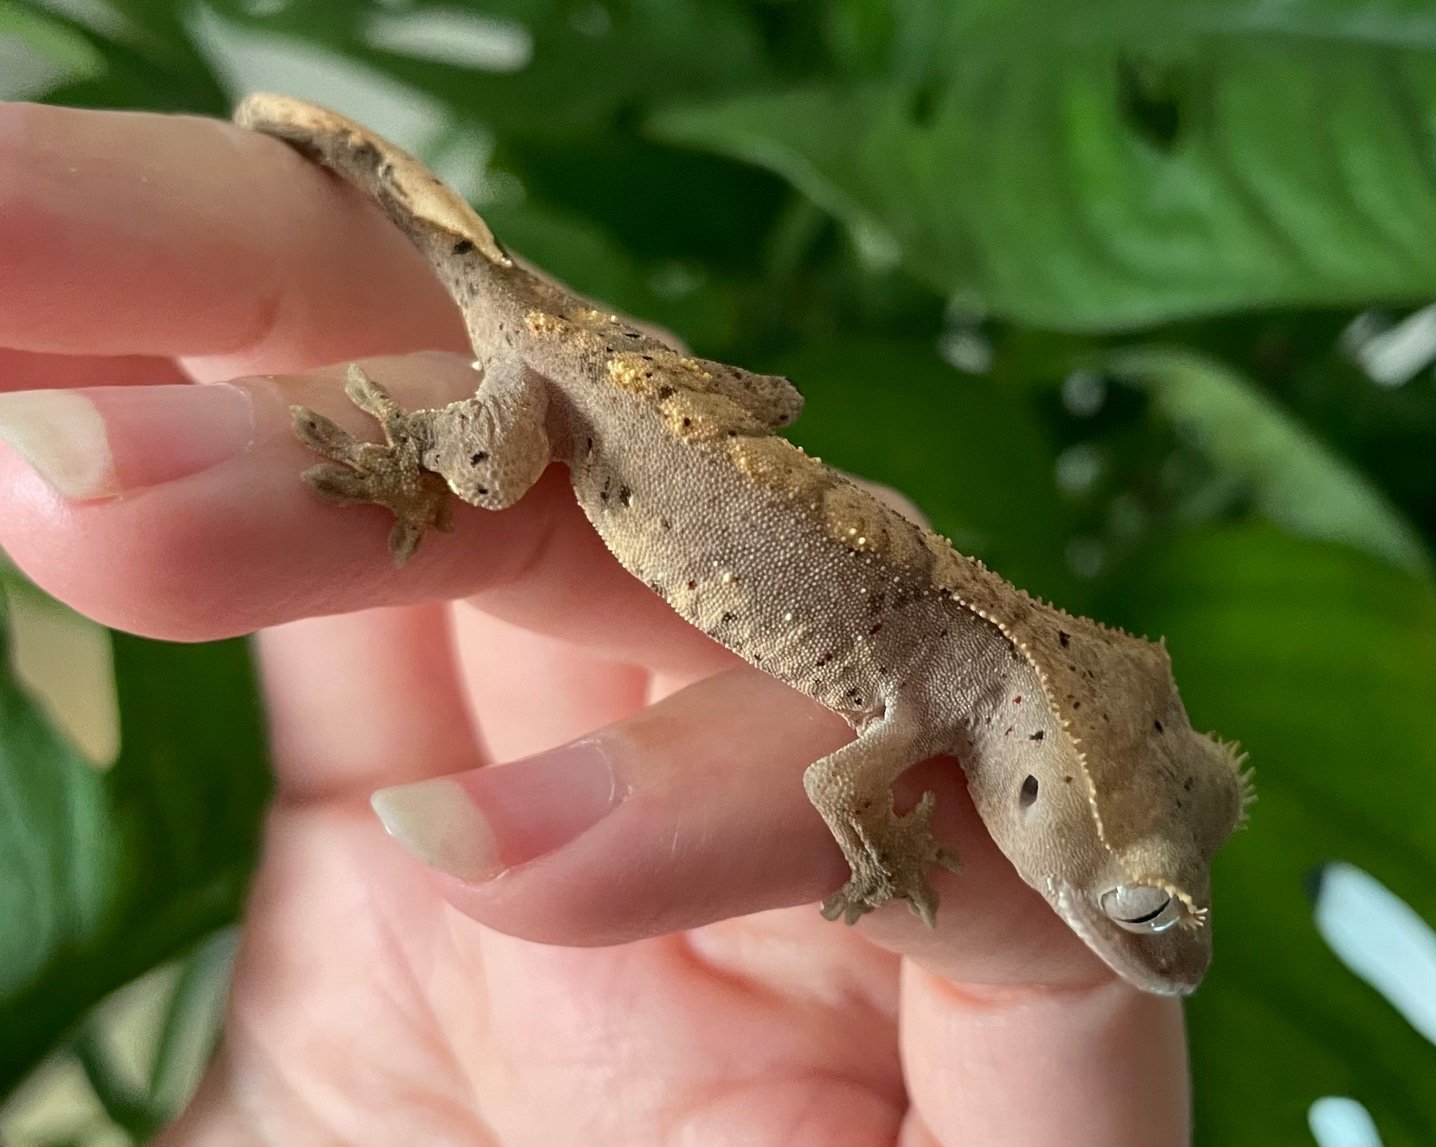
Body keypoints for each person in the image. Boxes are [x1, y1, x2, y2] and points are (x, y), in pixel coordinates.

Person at [0, 100, 1190, 1145]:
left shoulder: (936, 694)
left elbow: (778, 413)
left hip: (630, 387)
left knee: (744, 412)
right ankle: (412, 446)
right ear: (1035, 785)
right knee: (475, 485)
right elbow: (837, 796)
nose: (1160, 953)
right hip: (566, 403)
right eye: (1134, 900)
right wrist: (886, 856)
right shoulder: (926, 703)